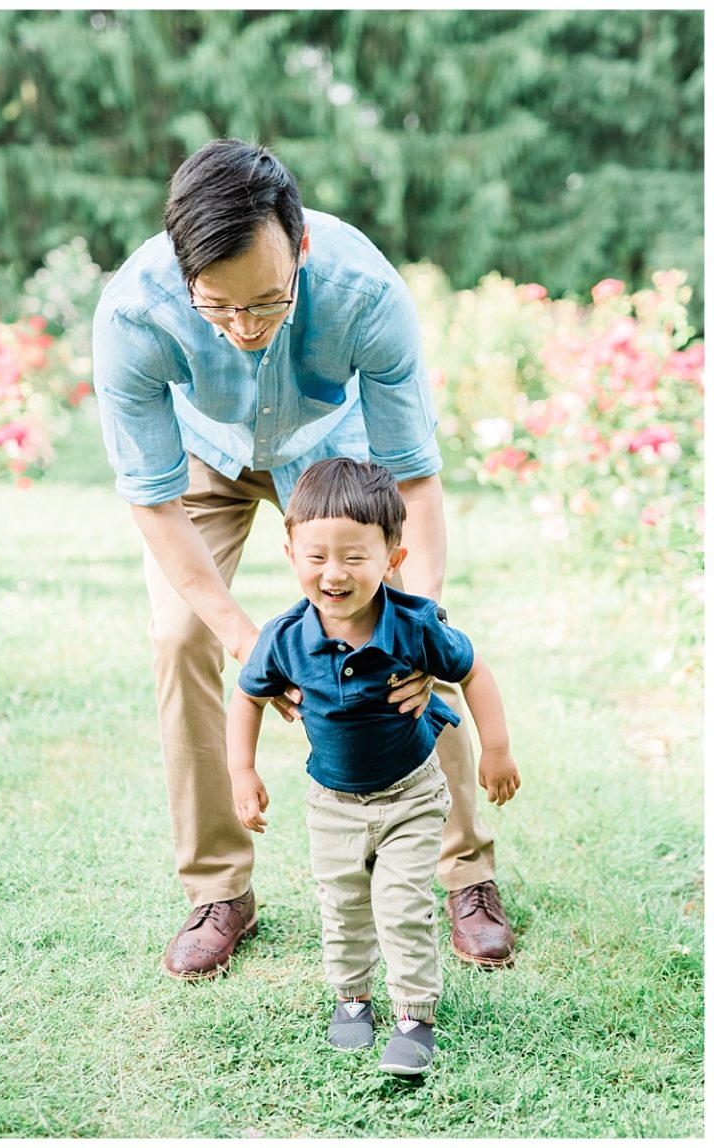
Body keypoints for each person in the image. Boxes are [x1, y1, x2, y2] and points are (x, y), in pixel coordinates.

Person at [91, 137, 518, 980]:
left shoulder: (366, 295)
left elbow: (417, 484)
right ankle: (219, 889)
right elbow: (151, 497)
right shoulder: (133, 317)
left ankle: (466, 871)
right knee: (181, 635)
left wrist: (416, 629)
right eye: (218, 309)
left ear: (303, 249)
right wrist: (250, 642)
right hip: (202, 455)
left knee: (413, 636)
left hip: (333, 456)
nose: (245, 330)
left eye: (267, 303)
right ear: (182, 273)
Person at [227, 458, 520, 1075]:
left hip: (411, 794)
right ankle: (352, 1000)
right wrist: (241, 771)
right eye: (316, 555)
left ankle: (414, 1016)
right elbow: (247, 697)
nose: (333, 573)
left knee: (401, 902)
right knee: (342, 903)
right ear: (290, 552)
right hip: (331, 801)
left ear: (392, 557)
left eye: (354, 556)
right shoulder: (282, 637)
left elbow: (473, 672)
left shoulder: (414, 625)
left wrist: (495, 749)